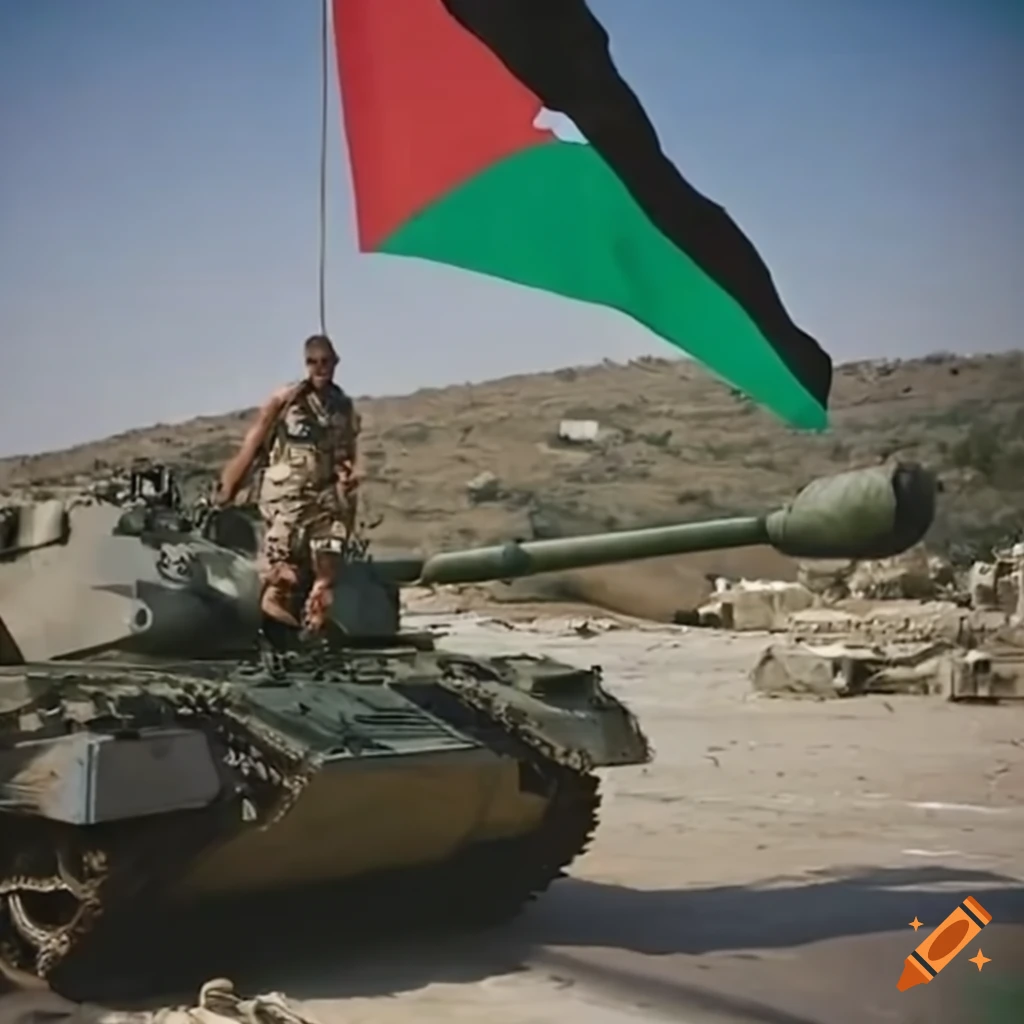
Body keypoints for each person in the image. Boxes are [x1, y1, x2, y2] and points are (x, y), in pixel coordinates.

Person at [215, 334, 361, 632]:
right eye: (313, 363)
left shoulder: (342, 406)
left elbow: (347, 451)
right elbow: (255, 441)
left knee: (328, 567)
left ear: (336, 363)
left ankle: (316, 618)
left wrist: (347, 481)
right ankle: (278, 623)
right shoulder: (287, 399)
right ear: (305, 364)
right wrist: (230, 486)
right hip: (287, 498)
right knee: (283, 574)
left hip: (324, 500)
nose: (320, 369)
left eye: (325, 362)